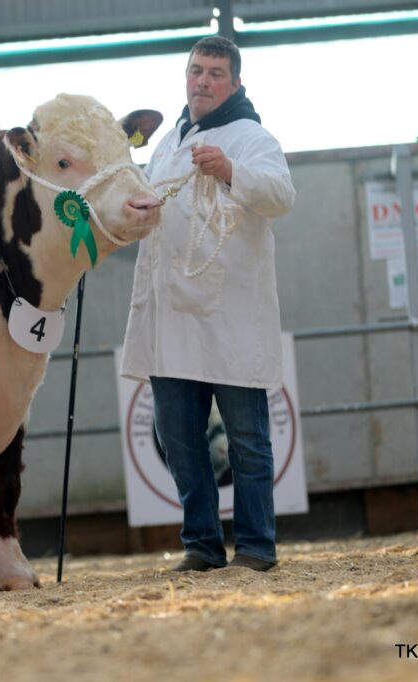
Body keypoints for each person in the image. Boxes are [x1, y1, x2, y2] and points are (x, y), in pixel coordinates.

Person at [120, 36, 296, 572]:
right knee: (176, 438)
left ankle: (256, 547)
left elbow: (281, 195)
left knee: (246, 439)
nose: (203, 81)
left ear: (236, 84)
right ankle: (199, 543)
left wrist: (230, 170)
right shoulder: (169, 141)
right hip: (172, 316)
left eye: (216, 73)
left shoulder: (251, 137)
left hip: (230, 317)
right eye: (197, 70)